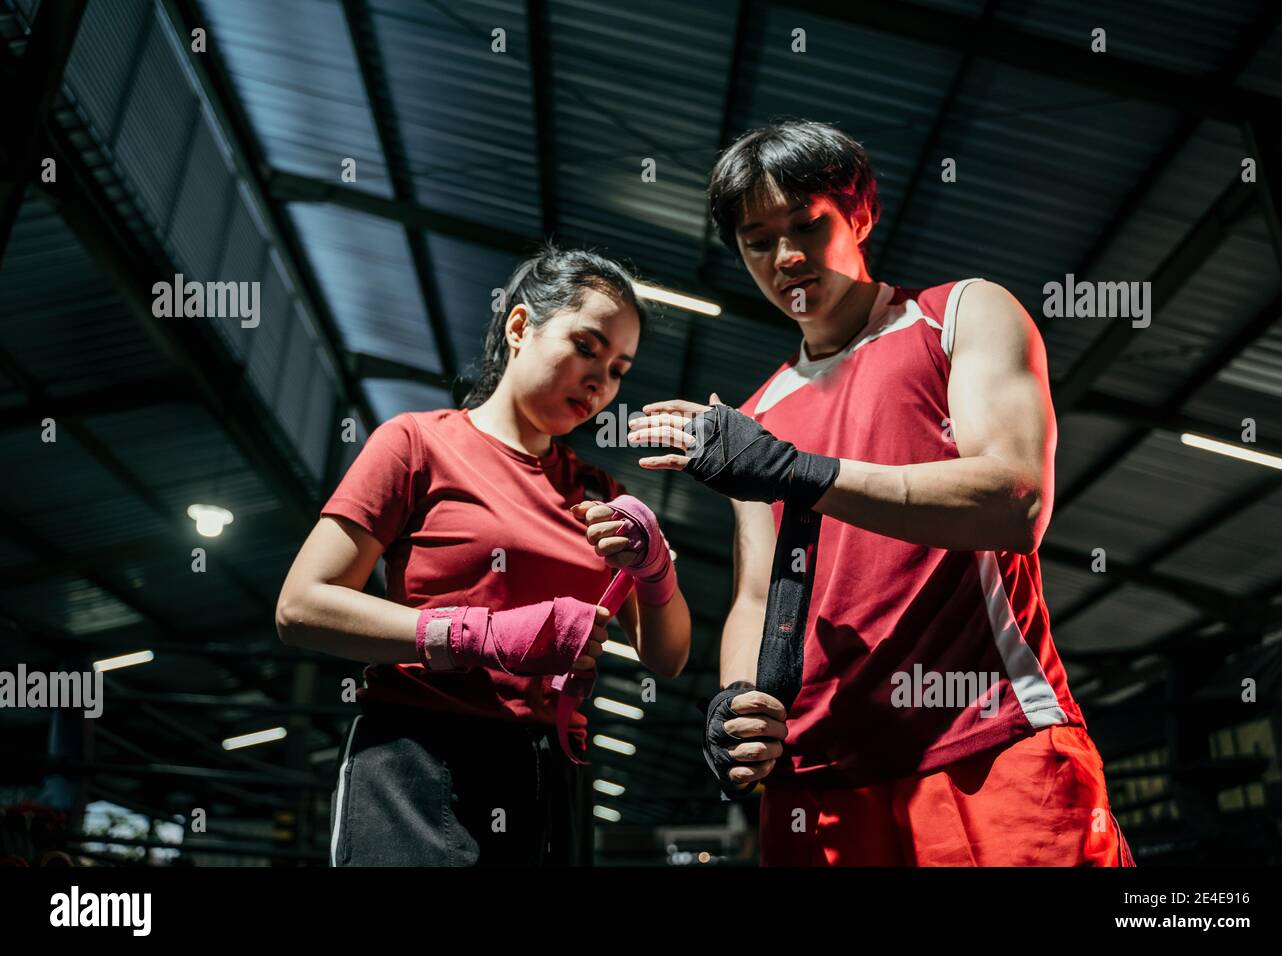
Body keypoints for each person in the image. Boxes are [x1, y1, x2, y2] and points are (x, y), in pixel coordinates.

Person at [630, 120, 1134, 866]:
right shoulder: (756, 418)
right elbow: (758, 596)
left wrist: (798, 472)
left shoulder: (960, 314)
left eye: (808, 224)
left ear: (860, 214)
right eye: (758, 240)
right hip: (815, 787)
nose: (787, 257)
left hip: (985, 748)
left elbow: (1017, 500)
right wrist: (736, 702)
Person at [275, 244, 691, 866]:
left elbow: (669, 658)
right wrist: (481, 635)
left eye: (619, 369)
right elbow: (301, 606)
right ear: (520, 327)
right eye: (586, 347)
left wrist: (656, 573)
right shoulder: (416, 443)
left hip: (548, 770)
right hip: (417, 761)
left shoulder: (603, 494)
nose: (601, 381)